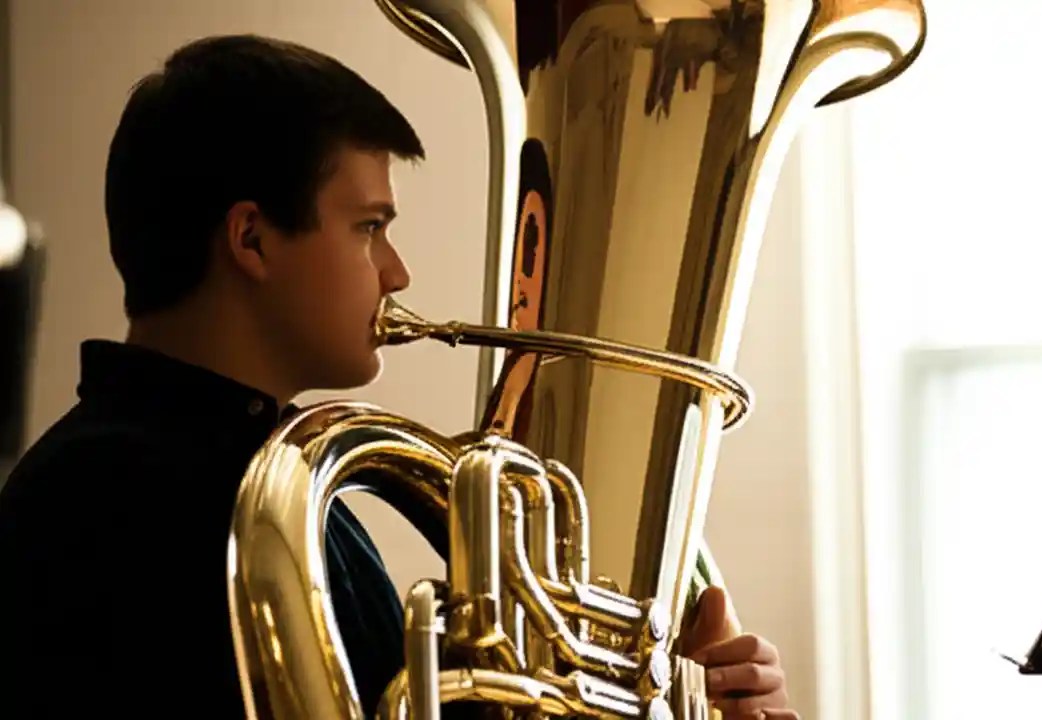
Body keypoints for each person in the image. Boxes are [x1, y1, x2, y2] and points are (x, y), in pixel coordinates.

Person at [0, 34, 795, 719]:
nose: (397, 271)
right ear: (252, 240)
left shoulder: (260, 477)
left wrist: (666, 687)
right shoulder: (122, 501)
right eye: (369, 228)